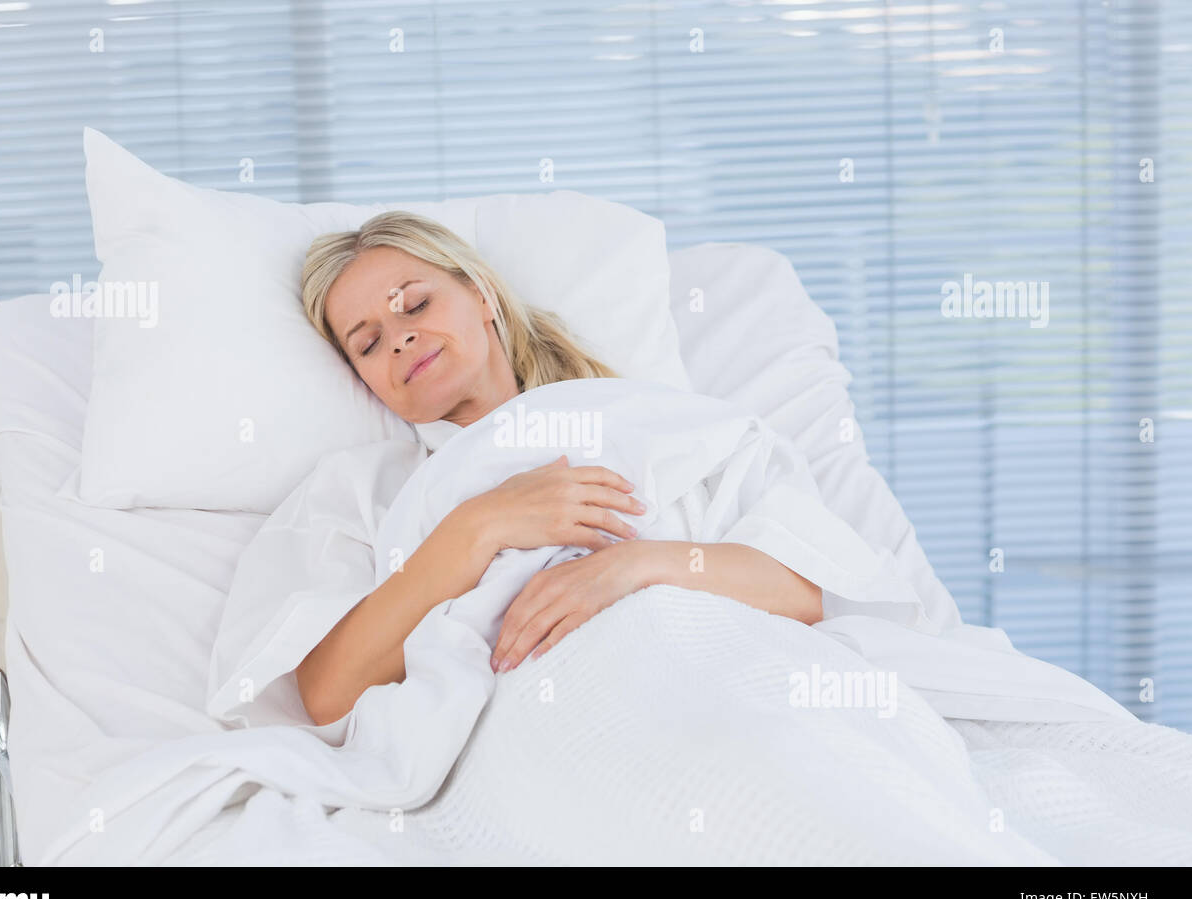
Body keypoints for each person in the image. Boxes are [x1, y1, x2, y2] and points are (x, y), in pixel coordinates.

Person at [295, 210, 821, 727]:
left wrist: (633, 568)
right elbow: (329, 693)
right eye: (367, 344)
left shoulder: (653, 422)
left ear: (482, 295)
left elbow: (810, 588)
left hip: (727, 683)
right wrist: (480, 526)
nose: (398, 339)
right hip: (543, 724)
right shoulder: (366, 491)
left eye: (415, 305)